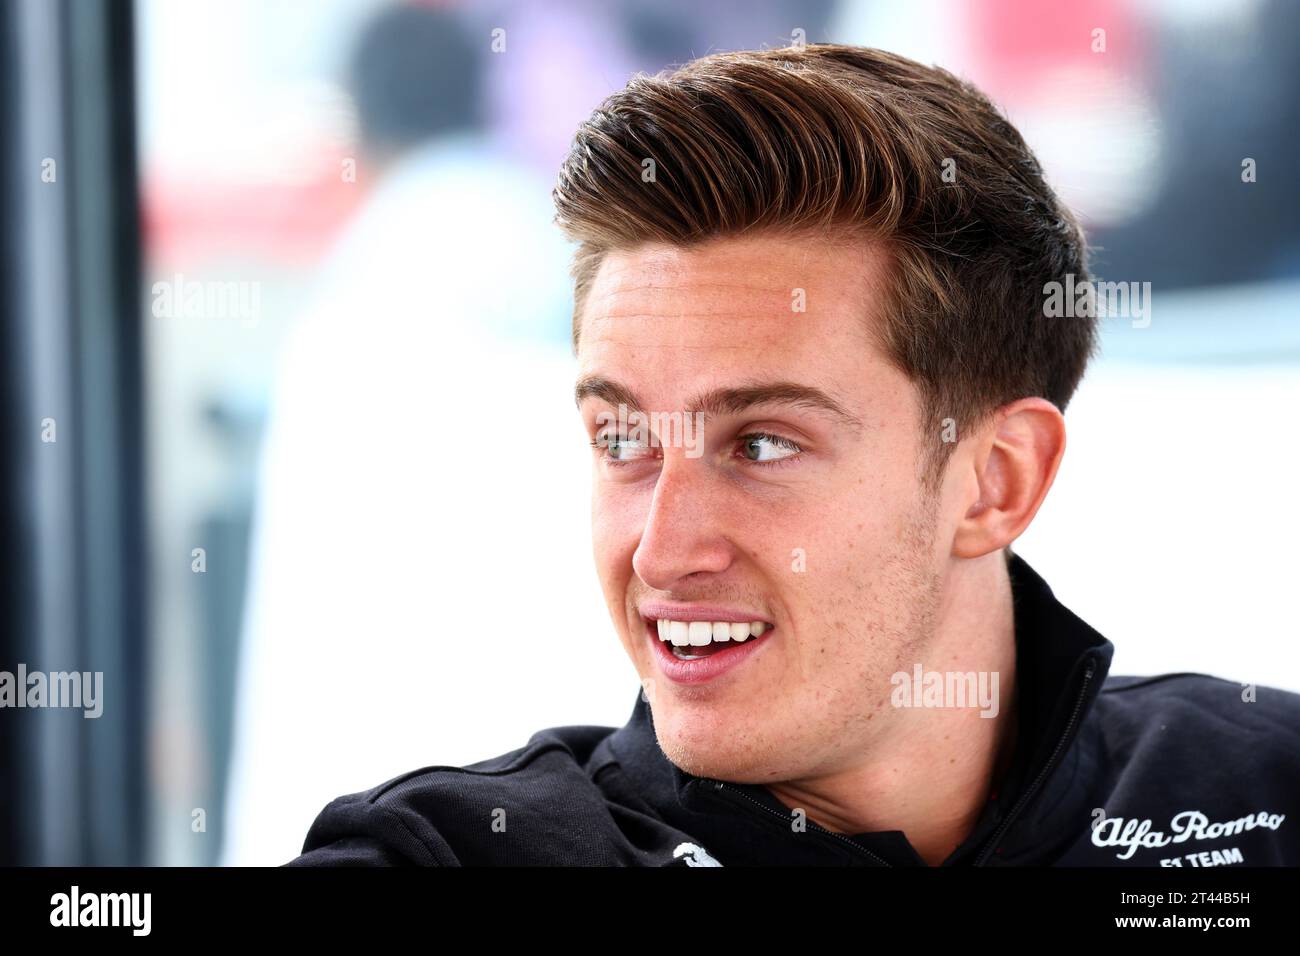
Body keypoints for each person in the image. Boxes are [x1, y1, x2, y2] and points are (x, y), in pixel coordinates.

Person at [286, 44, 1300, 867]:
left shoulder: (1259, 789)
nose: (660, 551)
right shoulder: (458, 854)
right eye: (624, 439)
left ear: (997, 479)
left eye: (761, 442)